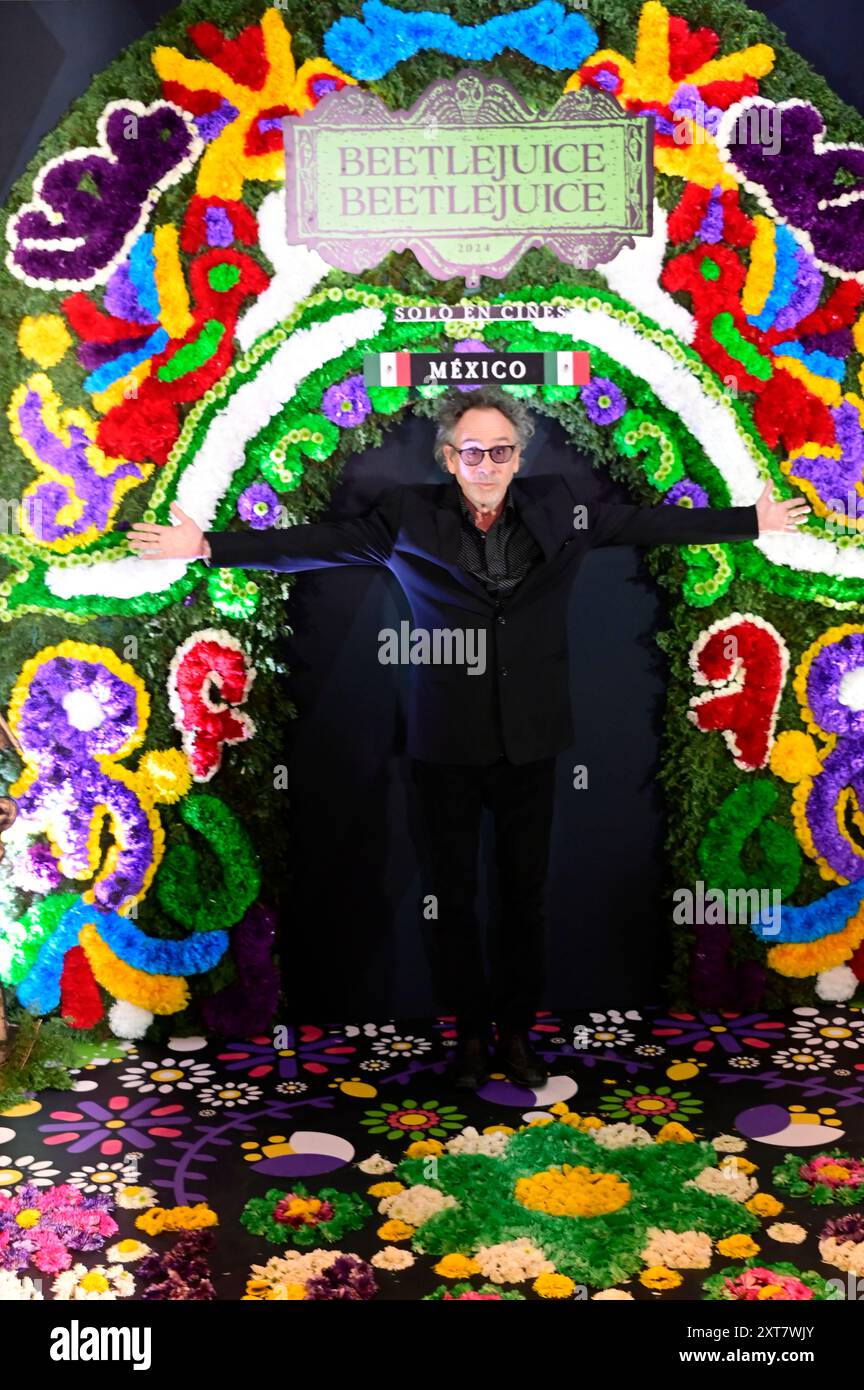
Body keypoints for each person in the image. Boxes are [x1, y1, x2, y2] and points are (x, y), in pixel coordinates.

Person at [128, 385, 810, 1089]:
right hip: (443, 741)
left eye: (502, 450)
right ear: (451, 458)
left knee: (525, 898)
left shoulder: (561, 506)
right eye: (473, 451)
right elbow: (315, 546)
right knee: (452, 899)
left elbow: (644, 524)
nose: (488, 463)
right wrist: (206, 546)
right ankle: (470, 1041)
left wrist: (751, 521)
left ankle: (517, 1038)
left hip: (533, 740)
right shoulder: (406, 517)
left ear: (518, 456)